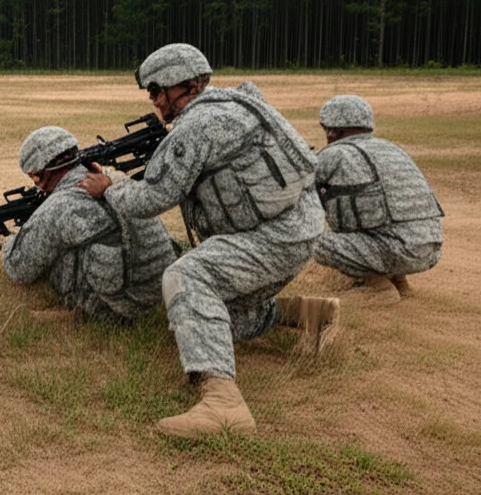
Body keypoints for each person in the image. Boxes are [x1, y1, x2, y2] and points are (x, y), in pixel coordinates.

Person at [78, 43, 337, 439]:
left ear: (183, 85)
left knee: (188, 278)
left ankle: (223, 404)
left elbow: (150, 200)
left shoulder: (198, 126)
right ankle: (307, 315)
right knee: (200, 316)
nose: (154, 102)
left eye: (156, 91)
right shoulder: (243, 101)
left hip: (272, 236)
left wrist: (110, 185)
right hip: (299, 223)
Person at [0, 127, 178, 322]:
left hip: (120, 310)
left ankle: (79, 315)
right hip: (161, 294)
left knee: (52, 254)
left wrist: (11, 240)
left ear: (41, 174)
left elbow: (18, 268)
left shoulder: (58, 207)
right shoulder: (112, 179)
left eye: (34, 176)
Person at [313, 95, 443, 298]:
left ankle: (377, 286)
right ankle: (400, 282)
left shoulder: (334, 154)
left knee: (312, 242)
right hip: (432, 249)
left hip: (394, 250)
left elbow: (295, 187)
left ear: (332, 130)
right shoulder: (392, 149)